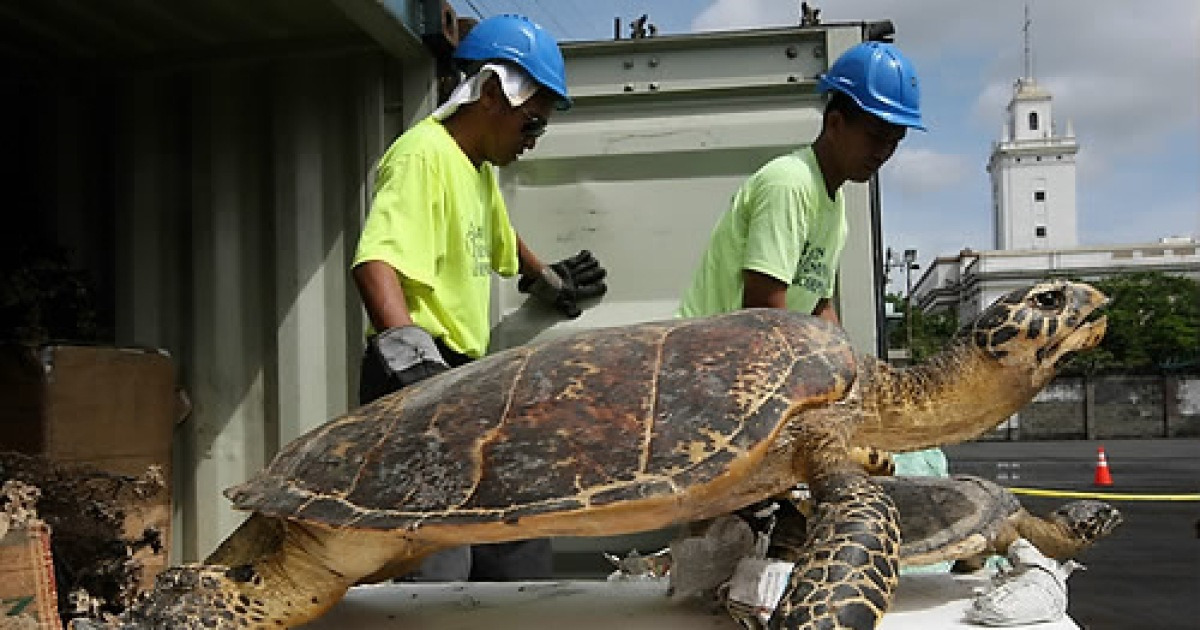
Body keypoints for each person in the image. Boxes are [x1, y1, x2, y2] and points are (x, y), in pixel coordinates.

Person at [351, 14, 606, 582]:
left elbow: (499, 237)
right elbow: (375, 262)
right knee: (438, 562)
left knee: (515, 537)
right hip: (414, 374)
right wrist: (415, 379)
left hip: (463, 378)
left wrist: (545, 277)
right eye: (530, 126)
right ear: (492, 93)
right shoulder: (423, 157)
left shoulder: (477, 168)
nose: (531, 143)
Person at [677, 40, 924, 323]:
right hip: (708, 356)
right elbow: (764, 312)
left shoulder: (833, 205)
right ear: (834, 124)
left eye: (895, 141)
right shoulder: (789, 184)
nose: (883, 152)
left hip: (749, 354)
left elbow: (818, 306)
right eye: (876, 136)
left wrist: (848, 359)